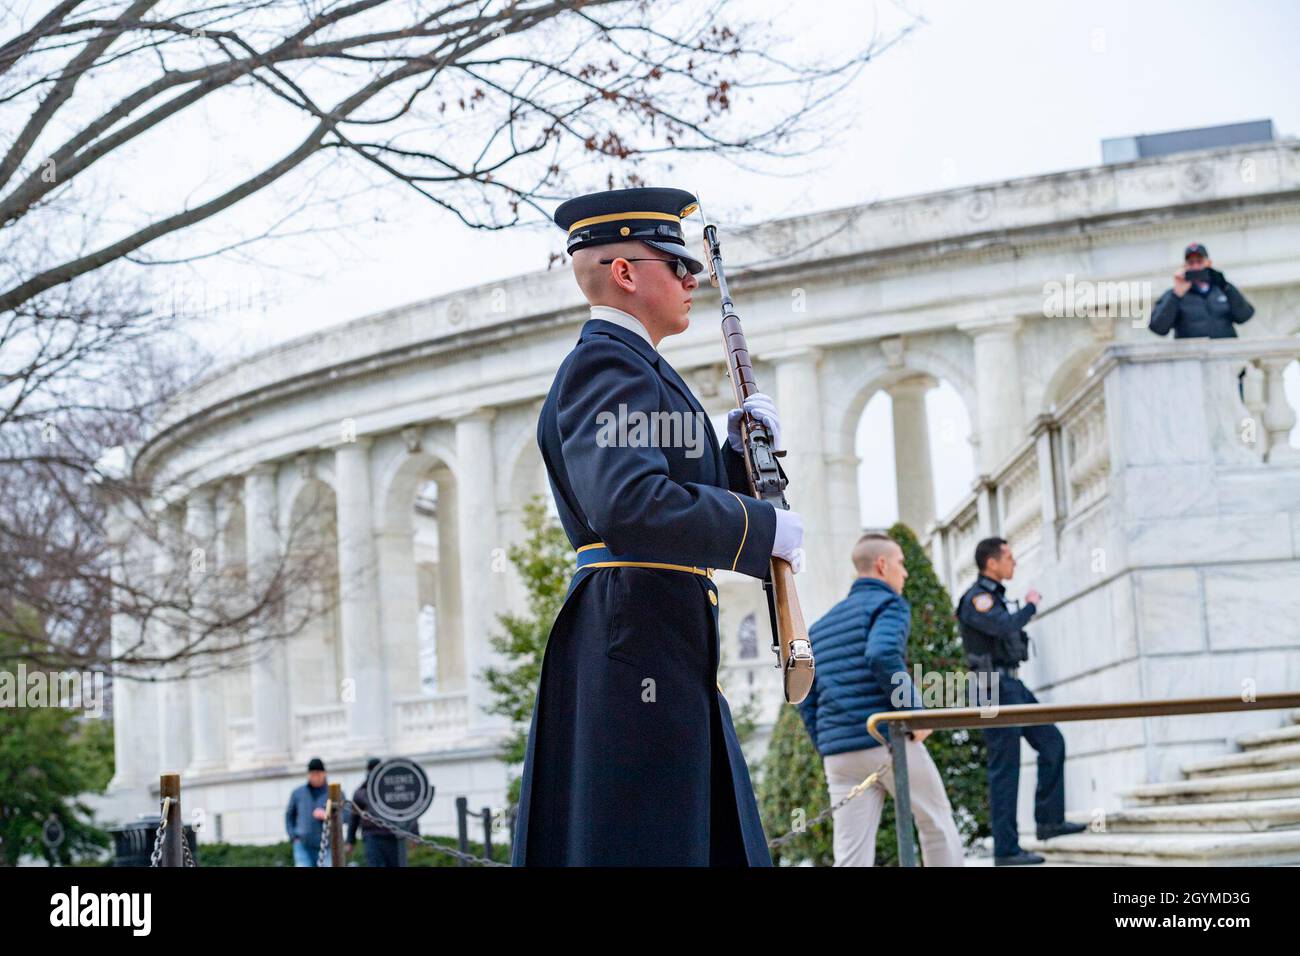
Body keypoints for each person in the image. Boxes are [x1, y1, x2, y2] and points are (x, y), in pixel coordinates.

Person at [511, 186, 804, 866]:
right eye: (675, 264)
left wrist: (737, 457)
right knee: (649, 838)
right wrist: (761, 531)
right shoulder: (609, 365)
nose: (692, 278)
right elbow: (631, 505)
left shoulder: (636, 369)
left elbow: (663, 493)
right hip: (633, 642)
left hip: (650, 633)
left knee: (680, 833)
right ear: (624, 273)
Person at [797, 532, 965, 867]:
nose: (905, 573)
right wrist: (916, 714)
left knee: (851, 854)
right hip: (886, 740)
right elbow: (882, 653)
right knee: (936, 824)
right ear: (882, 564)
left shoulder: (821, 625)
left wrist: (826, 742)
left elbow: (805, 695)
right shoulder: (888, 604)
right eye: (901, 564)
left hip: (839, 755)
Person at [956, 537, 1085, 866]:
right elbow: (1002, 627)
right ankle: (1006, 851)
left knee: (1052, 742)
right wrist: (1030, 605)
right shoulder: (978, 599)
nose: (1014, 563)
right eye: (1009, 557)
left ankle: (1049, 821)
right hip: (991, 687)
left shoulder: (994, 597)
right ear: (992, 563)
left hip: (1010, 684)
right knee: (1006, 769)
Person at [1148, 242, 1254, 339]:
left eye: (1199, 261)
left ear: (1208, 263)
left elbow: (1245, 316)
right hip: (1191, 357)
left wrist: (1226, 287)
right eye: (1191, 263)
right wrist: (1176, 295)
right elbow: (1158, 328)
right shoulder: (1174, 295)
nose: (1195, 266)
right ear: (1185, 266)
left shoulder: (1223, 289)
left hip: (1224, 354)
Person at [346, 757, 419, 867]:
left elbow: (406, 811)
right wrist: (350, 840)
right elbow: (354, 818)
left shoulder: (392, 789)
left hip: (393, 835)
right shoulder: (360, 793)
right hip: (371, 836)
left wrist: (414, 834)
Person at [285, 757, 337, 867]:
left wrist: (327, 815)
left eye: (318, 773)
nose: (316, 777)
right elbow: (289, 815)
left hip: (327, 845)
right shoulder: (298, 793)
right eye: (313, 774)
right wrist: (293, 836)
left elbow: (345, 816)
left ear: (324, 774)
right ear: (308, 775)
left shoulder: (334, 793)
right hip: (302, 845)